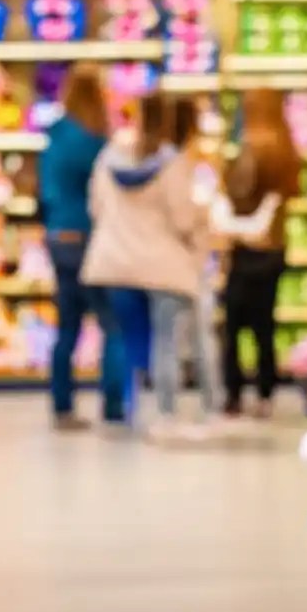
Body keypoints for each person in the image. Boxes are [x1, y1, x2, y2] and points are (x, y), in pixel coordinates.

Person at [82, 95, 218, 440]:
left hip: (114, 262)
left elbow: (95, 206)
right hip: (161, 265)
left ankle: (123, 410)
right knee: (166, 341)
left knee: (121, 338)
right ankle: (165, 413)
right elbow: (183, 217)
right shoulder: (172, 163)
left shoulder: (108, 157)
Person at [37, 62, 126, 431]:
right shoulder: (98, 143)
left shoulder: (54, 136)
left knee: (67, 327)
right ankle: (114, 406)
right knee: (112, 326)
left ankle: (62, 406)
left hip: (59, 237)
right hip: (93, 238)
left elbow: (43, 191)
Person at [215, 89, 301, 418]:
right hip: (274, 248)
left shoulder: (249, 148)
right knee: (265, 325)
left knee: (234, 325)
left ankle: (233, 393)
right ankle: (266, 392)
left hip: (244, 246)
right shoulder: (286, 147)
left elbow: (234, 190)